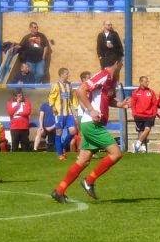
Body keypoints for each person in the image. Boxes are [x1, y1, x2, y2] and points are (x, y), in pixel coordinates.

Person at [51, 60, 129, 202]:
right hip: (92, 123)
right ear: (116, 62)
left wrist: (120, 104)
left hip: (92, 123)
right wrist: (91, 110)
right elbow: (80, 90)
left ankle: (59, 190)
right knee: (116, 153)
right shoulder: (104, 75)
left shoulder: (112, 80)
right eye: (121, 63)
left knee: (83, 160)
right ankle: (89, 181)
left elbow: (108, 99)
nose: (123, 65)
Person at [46, 67, 78, 161]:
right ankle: (60, 153)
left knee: (73, 131)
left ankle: (63, 146)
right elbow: (51, 97)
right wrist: (53, 107)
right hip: (59, 114)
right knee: (59, 133)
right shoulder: (55, 85)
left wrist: (75, 108)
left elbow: (72, 97)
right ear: (61, 74)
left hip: (68, 113)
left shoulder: (69, 85)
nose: (68, 75)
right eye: (67, 73)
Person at [129, 75, 157, 153]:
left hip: (149, 115)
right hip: (138, 115)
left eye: (147, 81)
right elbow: (133, 104)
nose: (147, 83)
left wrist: (154, 114)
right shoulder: (135, 92)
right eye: (145, 81)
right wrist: (134, 114)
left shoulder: (151, 92)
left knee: (147, 129)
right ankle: (143, 147)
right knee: (141, 131)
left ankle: (137, 144)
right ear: (141, 82)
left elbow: (154, 103)